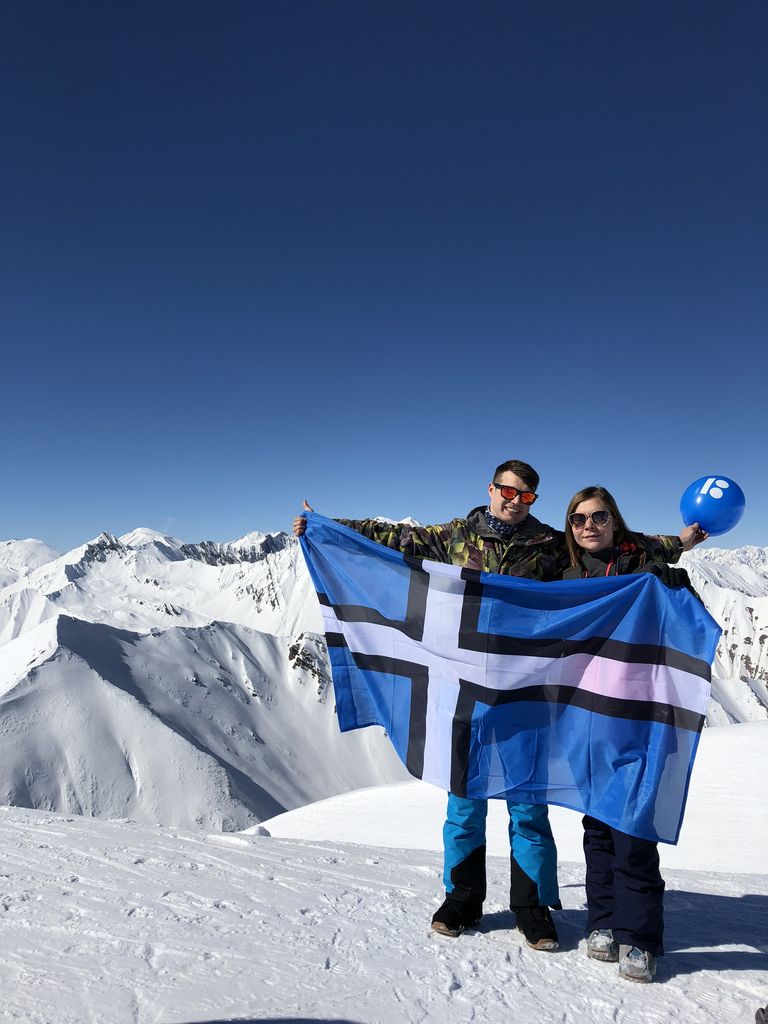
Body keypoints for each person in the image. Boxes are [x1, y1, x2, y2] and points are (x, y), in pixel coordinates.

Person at [293, 464, 703, 952]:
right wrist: (327, 527)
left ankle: (532, 906)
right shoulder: (455, 535)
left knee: (527, 802)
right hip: (461, 687)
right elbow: (393, 537)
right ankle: (462, 897)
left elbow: (624, 545)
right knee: (463, 799)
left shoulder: (551, 545)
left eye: (526, 496)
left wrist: (679, 544)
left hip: (526, 693)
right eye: (508, 490)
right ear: (491, 489)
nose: (515, 500)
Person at [560, 485, 706, 983]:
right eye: (579, 519)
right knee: (598, 826)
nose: (589, 526)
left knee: (635, 830)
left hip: (641, 719)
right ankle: (602, 923)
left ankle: (639, 939)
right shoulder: (565, 576)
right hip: (586, 719)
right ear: (571, 526)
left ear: (614, 521)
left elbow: (686, 620)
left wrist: (673, 582)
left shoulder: (644, 568)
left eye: (599, 517)